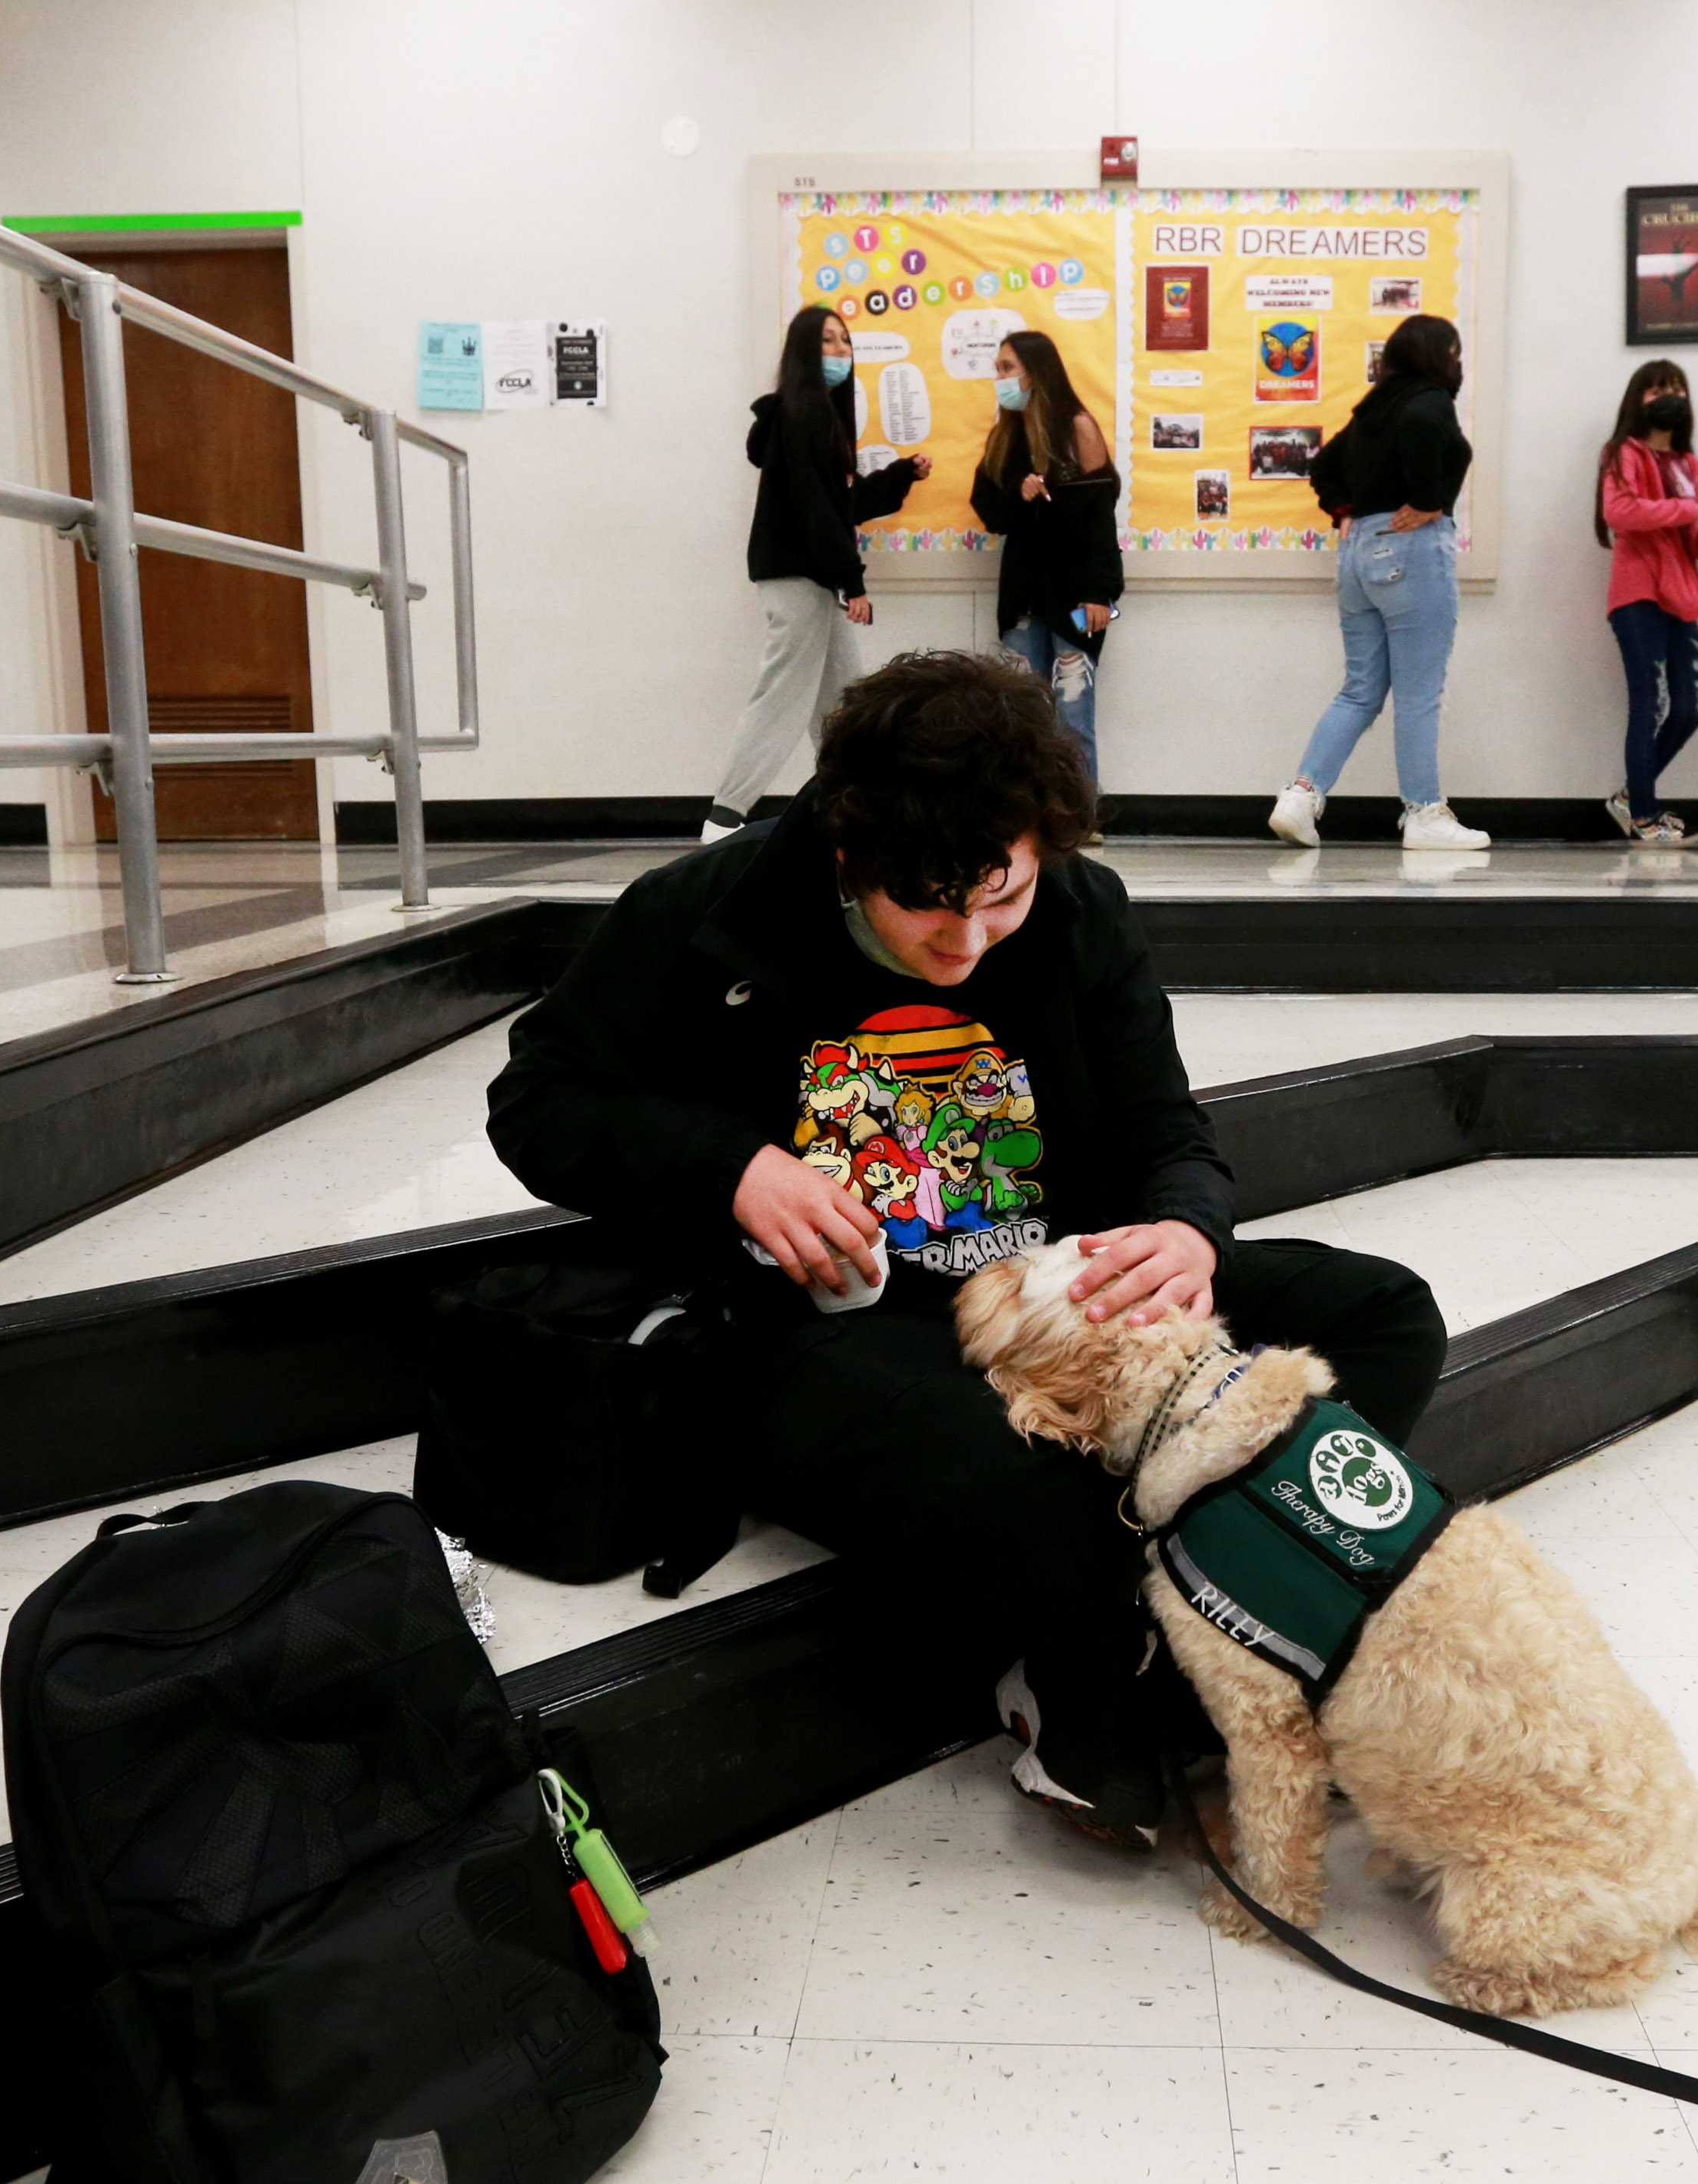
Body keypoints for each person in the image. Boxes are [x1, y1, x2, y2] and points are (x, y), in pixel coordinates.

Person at [491, 651, 1450, 1847]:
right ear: (848, 847)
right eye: (929, 906)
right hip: (819, 1329)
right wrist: (731, 1166)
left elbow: (1167, 1128)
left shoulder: (1082, 908)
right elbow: (537, 1102)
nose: (966, 940)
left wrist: (1184, 1231)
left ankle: (1223, 1619)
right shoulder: (705, 911)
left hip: (1052, 1285)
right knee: (1033, 1470)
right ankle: (1100, 1682)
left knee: (1381, 1315)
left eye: (1003, 898)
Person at [701, 305, 933, 842]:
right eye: (828, 341)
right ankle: (725, 816)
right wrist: (853, 581)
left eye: (845, 341)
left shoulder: (821, 417)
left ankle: (855, 810)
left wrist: (901, 475)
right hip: (797, 576)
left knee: (843, 702)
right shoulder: (800, 415)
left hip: (811, 577)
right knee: (784, 694)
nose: (840, 351)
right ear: (805, 351)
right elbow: (816, 511)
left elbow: (841, 504)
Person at [1269, 315, 1486, 853]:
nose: (1457, 363)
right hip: (1411, 551)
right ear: (1434, 357)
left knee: (1360, 690)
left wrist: (1345, 510)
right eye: (1453, 353)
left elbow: (1324, 465)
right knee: (1418, 695)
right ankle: (1425, 812)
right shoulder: (1430, 401)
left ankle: (1300, 797)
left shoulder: (1372, 409)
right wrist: (1431, 498)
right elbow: (1425, 434)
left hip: (1358, 553)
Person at [969, 331, 1123, 783]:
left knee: (1072, 716)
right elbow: (990, 514)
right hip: (1022, 596)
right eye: (997, 369)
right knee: (1019, 716)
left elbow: (1099, 518)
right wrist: (1018, 493)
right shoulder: (1004, 437)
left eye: (1007, 368)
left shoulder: (1077, 427)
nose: (999, 378)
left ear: (1035, 373)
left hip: (1075, 596)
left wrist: (1100, 592)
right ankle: (1026, 813)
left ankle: (1078, 814)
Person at [1594, 360, 1698, 846]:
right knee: (1649, 705)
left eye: (1675, 388)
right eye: (1655, 390)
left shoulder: (1691, 465)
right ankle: (1645, 819)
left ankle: (1632, 799)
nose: (1667, 396)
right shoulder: (1623, 453)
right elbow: (1620, 513)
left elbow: (1686, 542)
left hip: (1681, 597)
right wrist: (1691, 511)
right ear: (1638, 400)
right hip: (1638, 594)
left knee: (1691, 709)